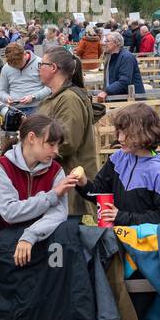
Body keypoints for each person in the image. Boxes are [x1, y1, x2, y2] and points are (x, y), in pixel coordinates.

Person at [0, 115, 81, 266]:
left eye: (58, 145)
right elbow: (9, 212)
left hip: (46, 243)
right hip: (7, 245)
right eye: (51, 144)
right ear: (31, 138)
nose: (56, 151)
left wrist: (30, 235)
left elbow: (59, 213)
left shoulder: (56, 170)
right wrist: (52, 195)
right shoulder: (2, 166)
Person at [76, 103, 160, 226]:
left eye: (126, 133)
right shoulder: (117, 159)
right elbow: (100, 193)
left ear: (146, 133)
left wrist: (121, 217)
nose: (120, 138)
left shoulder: (157, 170)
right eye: (118, 132)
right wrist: (83, 184)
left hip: (145, 243)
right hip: (117, 240)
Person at [35, 47, 99, 218]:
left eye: (42, 64)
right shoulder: (57, 96)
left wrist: (33, 151)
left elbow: (67, 141)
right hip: (55, 177)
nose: (39, 68)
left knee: (66, 236)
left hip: (67, 179)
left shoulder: (69, 99)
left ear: (53, 68)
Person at [0, 42, 50, 117]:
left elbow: (49, 87)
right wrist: (6, 98)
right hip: (14, 110)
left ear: (25, 55)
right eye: (13, 65)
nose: (16, 67)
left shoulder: (40, 63)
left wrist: (33, 96)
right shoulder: (6, 68)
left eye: (19, 64)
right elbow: (1, 91)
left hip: (37, 107)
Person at [98, 32, 144, 101]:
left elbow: (124, 81)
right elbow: (109, 79)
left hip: (131, 102)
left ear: (116, 43)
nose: (104, 43)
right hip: (117, 97)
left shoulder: (126, 57)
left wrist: (106, 91)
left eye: (107, 41)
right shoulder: (110, 57)